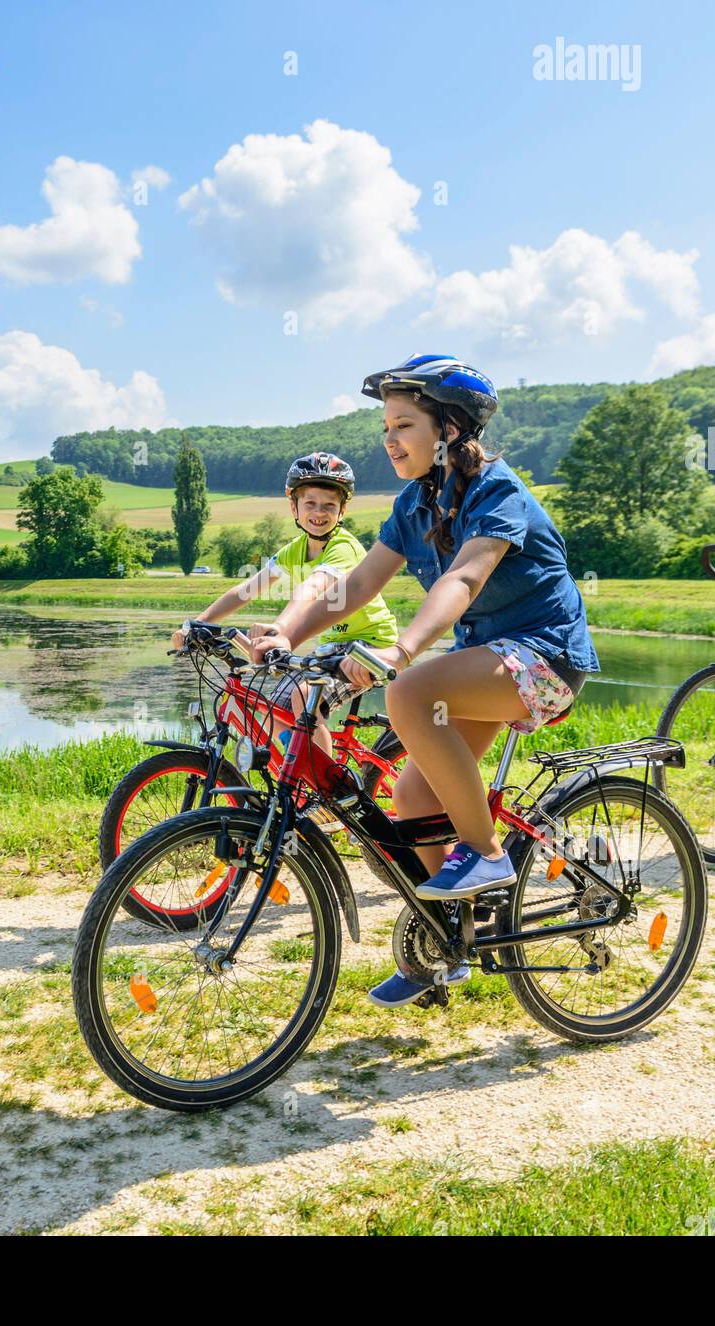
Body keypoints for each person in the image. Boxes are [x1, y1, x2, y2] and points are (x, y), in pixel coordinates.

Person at [251, 355, 599, 1007]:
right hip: (490, 661)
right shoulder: (416, 502)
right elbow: (357, 584)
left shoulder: (495, 489)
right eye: (385, 424)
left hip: (545, 656)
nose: (388, 437)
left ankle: (486, 853)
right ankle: (451, 942)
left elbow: (464, 578)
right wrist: (283, 636)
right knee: (412, 797)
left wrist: (403, 649)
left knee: (409, 692)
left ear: (450, 430)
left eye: (403, 423)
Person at [171, 452, 398, 756]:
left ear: (342, 510)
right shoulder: (296, 550)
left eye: (329, 505)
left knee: (305, 696)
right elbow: (246, 590)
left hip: (369, 646)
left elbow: (313, 588)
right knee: (272, 709)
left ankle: (322, 794)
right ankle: (299, 778)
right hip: (332, 647)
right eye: (310, 503)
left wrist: (281, 629)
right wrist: (198, 624)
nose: (319, 512)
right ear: (294, 506)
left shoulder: (344, 547)